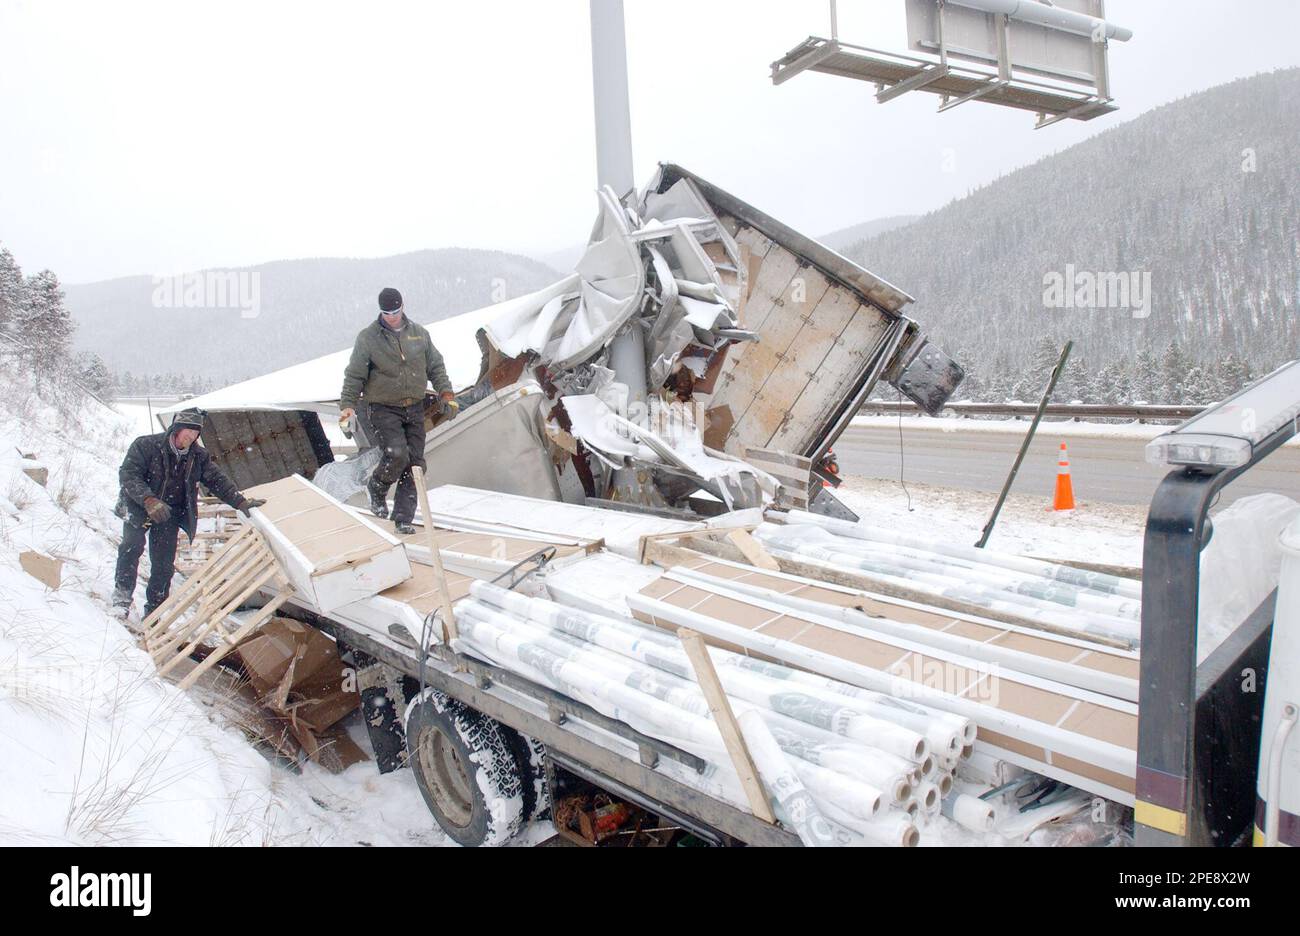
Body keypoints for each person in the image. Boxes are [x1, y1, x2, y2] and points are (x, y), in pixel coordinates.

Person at [112, 408, 266, 618]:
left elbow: (216, 480)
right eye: (189, 431)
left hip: (170, 513)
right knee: (131, 547)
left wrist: (239, 502)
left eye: (196, 433)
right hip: (139, 506)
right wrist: (149, 500)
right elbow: (128, 475)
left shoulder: (198, 456)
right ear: (176, 428)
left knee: (164, 565)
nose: (192, 437)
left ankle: (154, 613)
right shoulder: (146, 445)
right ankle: (121, 599)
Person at [339, 287, 457, 534]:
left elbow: (436, 366)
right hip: (383, 408)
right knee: (397, 454)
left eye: (395, 311)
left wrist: (446, 393)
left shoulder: (418, 334)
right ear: (380, 312)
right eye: (386, 312)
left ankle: (403, 517)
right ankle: (377, 487)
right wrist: (348, 407)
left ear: (402, 307)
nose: (391, 317)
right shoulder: (368, 338)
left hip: (413, 407)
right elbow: (354, 376)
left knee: (416, 464)